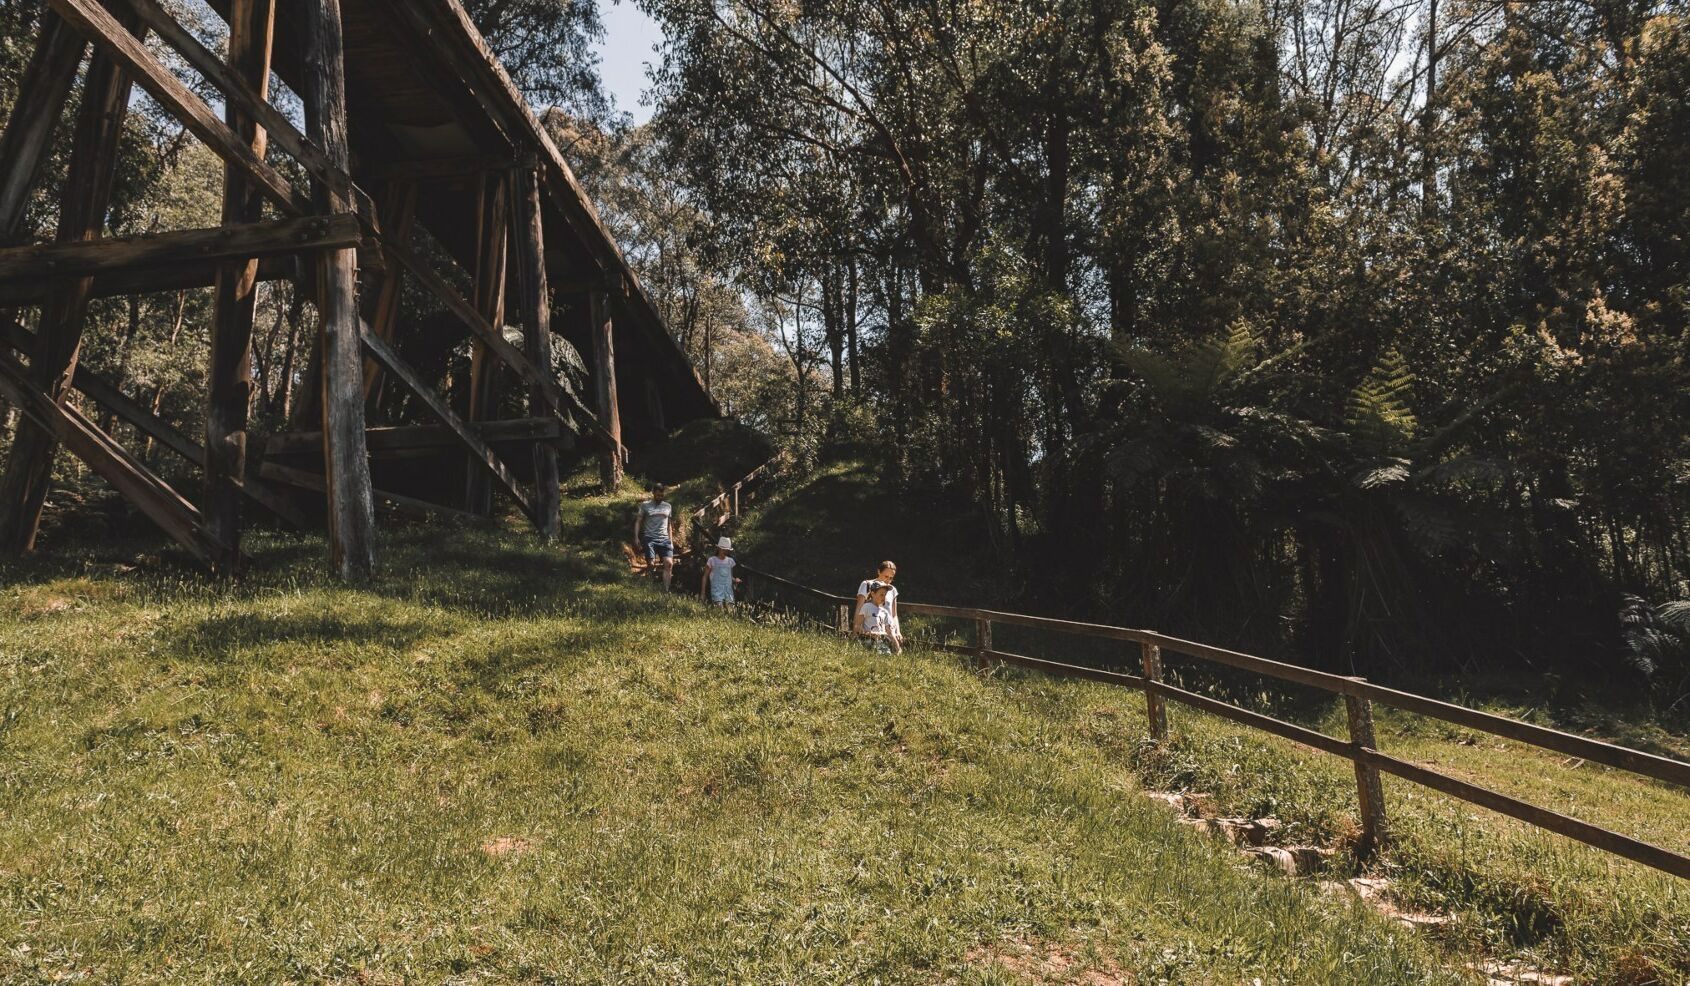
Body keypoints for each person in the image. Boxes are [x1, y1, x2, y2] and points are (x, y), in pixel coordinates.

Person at [635, 482, 678, 590]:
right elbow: (638, 521)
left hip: (664, 539)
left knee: (669, 564)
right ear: (653, 493)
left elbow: (669, 525)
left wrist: (671, 541)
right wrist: (636, 537)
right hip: (649, 538)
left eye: (661, 495)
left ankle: (666, 590)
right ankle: (649, 587)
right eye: (658, 495)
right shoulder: (645, 505)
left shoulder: (668, 506)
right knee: (651, 564)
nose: (659, 497)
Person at [856, 560, 901, 651]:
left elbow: (894, 614)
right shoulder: (867, 585)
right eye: (886, 576)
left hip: (888, 633)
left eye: (891, 578)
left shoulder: (892, 590)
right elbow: (859, 609)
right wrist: (855, 632)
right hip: (870, 633)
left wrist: (898, 632)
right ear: (879, 572)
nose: (888, 580)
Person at [701, 536, 738, 607]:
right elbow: (705, 577)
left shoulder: (730, 561)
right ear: (718, 548)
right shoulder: (712, 560)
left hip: (728, 591)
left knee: (730, 611)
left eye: (727, 550)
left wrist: (735, 580)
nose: (725, 551)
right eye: (723, 549)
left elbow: (730, 576)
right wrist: (703, 593)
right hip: (717, 590)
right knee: (719, 609)